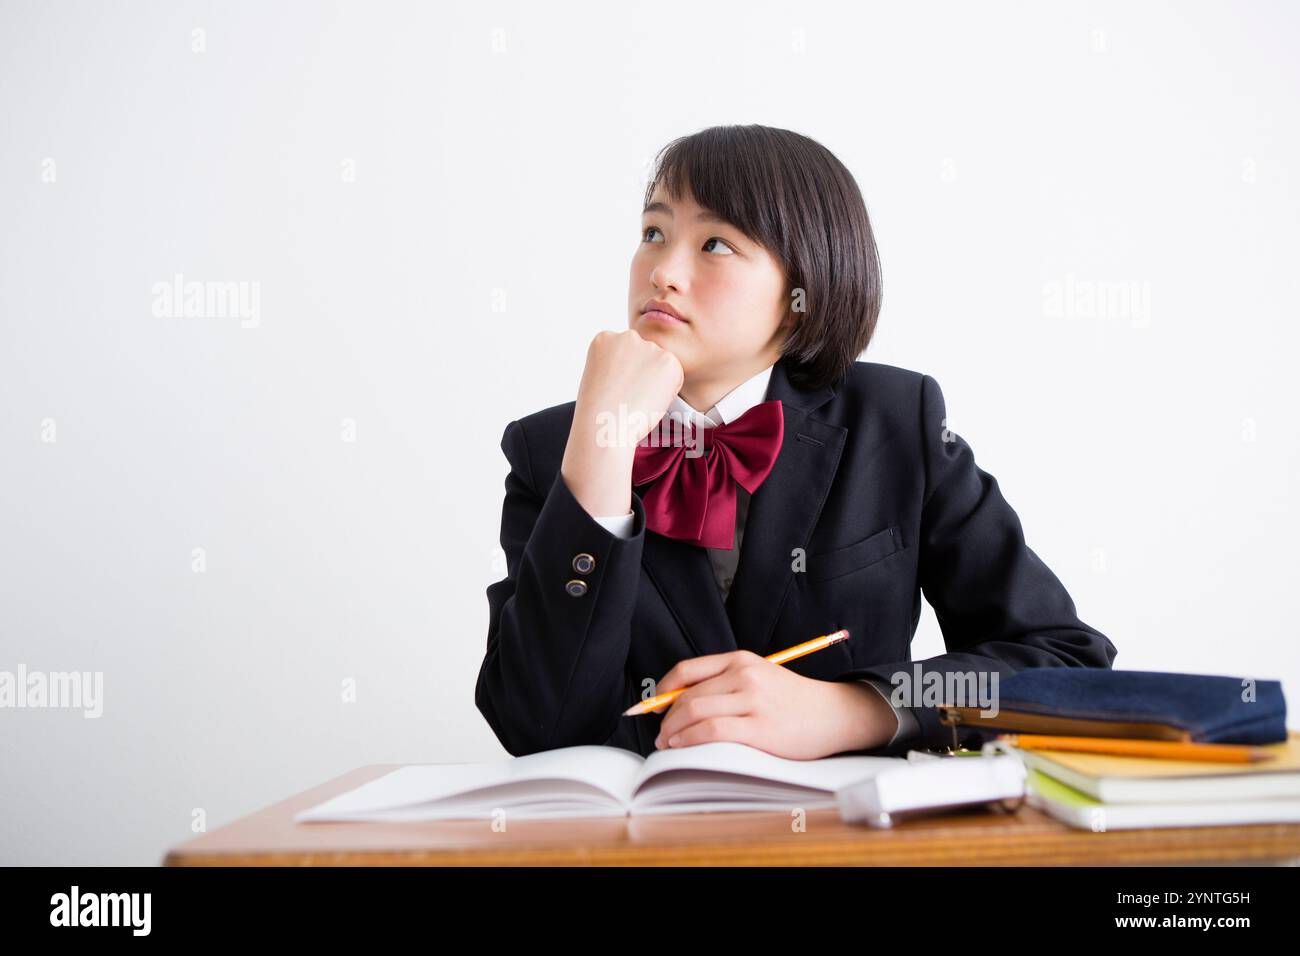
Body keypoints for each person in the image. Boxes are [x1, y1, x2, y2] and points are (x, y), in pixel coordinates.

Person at [476, 124, 1117, 760]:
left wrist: (857, 710)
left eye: (717, 243)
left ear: (801, 294)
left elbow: (1065, 664)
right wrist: (601, 454)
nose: (662, 273)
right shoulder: (550, 448)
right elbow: (537, 727)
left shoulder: (898, 422)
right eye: (653, 233)